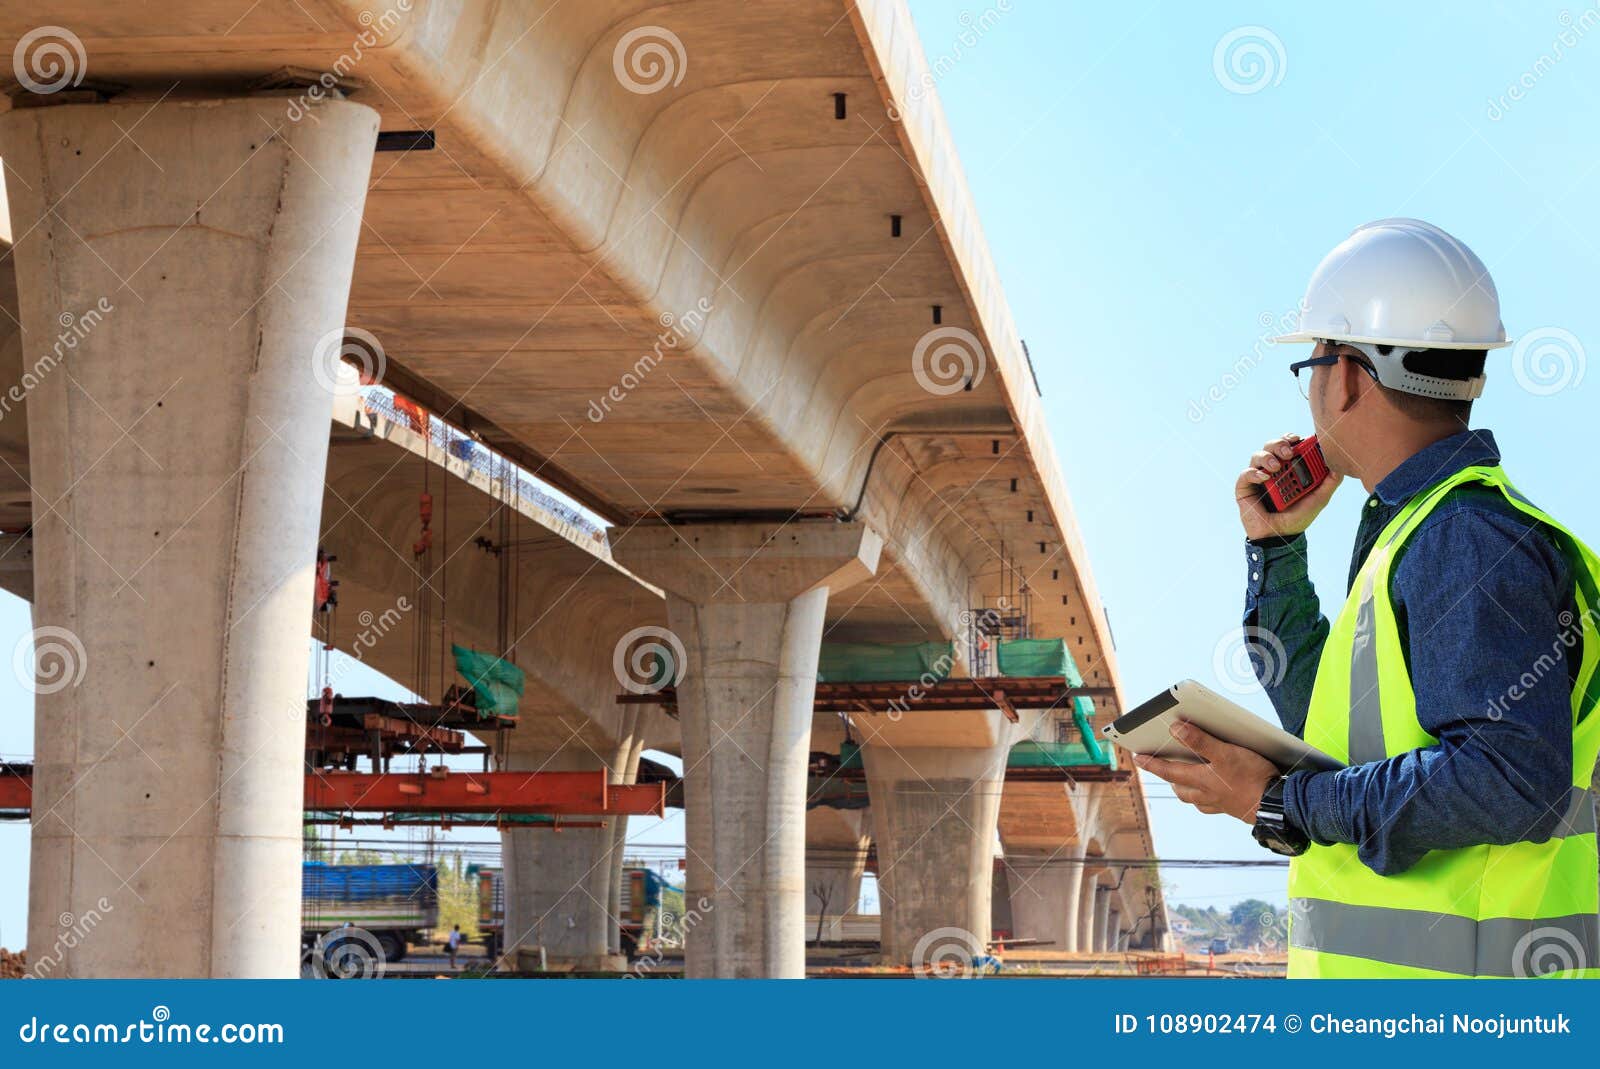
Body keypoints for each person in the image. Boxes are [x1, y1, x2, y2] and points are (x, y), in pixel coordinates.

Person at [1135, 218, 1600, 978]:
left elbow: (1511, 777)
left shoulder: (1465, 537)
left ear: (1346, 373)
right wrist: (1277, 549)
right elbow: (1331, 721)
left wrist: (1287, 800)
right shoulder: (1419, 528)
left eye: (1312, 366)